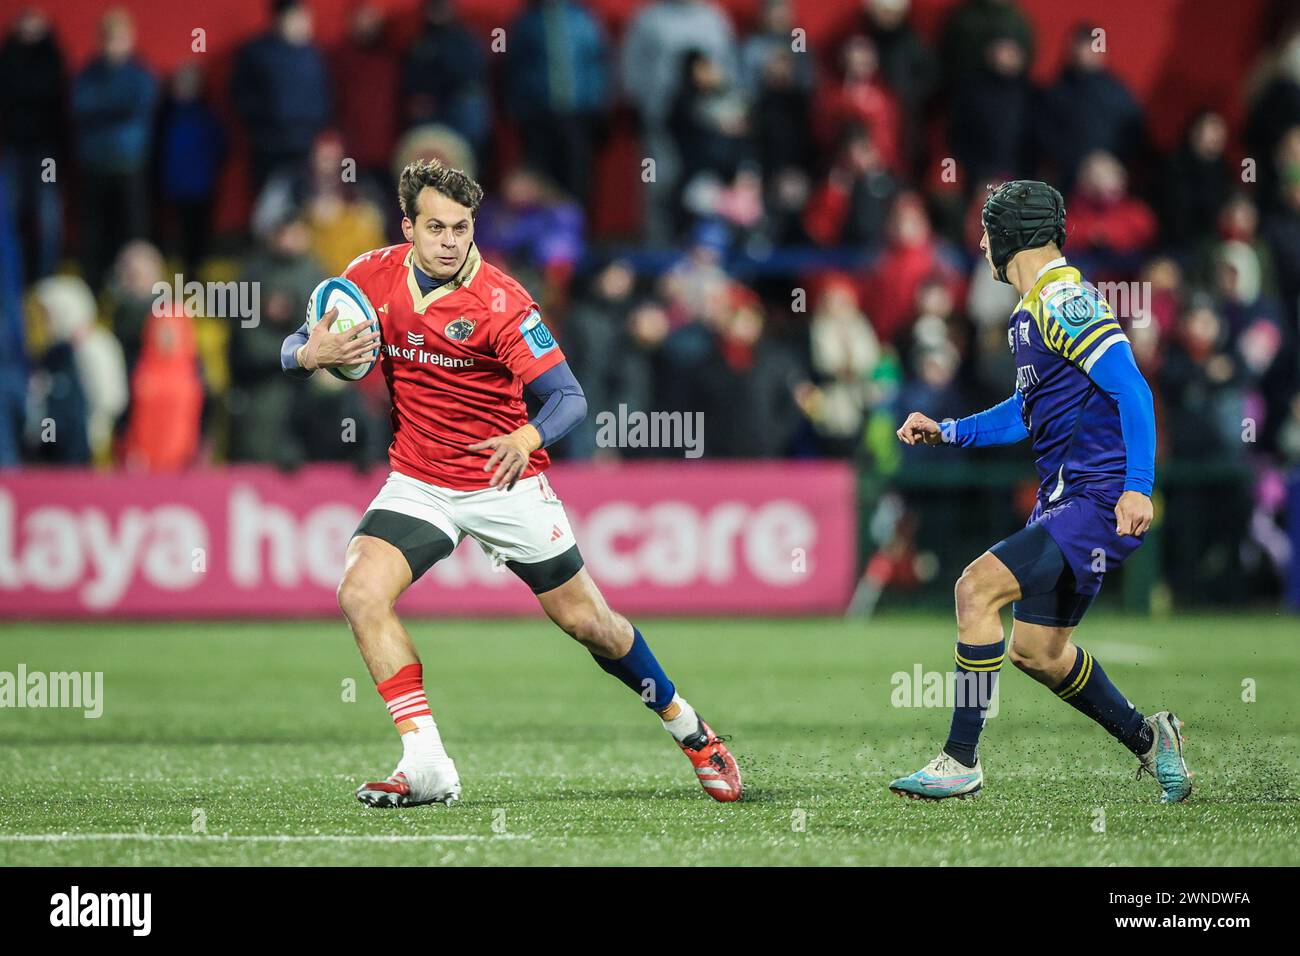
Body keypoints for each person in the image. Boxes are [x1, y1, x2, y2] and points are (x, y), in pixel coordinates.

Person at [279, 159, 743, 807]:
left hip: (504, 482)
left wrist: (527, 437)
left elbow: (567, 398)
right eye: (436, 227)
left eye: (462, 228)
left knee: (591, 626)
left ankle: (692, 731)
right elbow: (300, 341)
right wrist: (308, 355)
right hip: (420, 478)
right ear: (407, 227)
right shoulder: (368, 276)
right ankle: (427, 761)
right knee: (360, 592)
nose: (450, 241)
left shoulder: (502, 301)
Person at [889, 181, 1193, 803]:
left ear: (1008, 237)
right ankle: (1151, 738)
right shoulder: (1032, 312)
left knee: (974, 589)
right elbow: (1025, 414)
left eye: (985, 231)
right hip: (1069, 503)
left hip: (1097, 500)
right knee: (1037, 651)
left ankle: (960, 760)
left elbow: (1133, 388)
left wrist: (1138, 488)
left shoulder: (1063, 300)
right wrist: (947, 430)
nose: (978, 243)